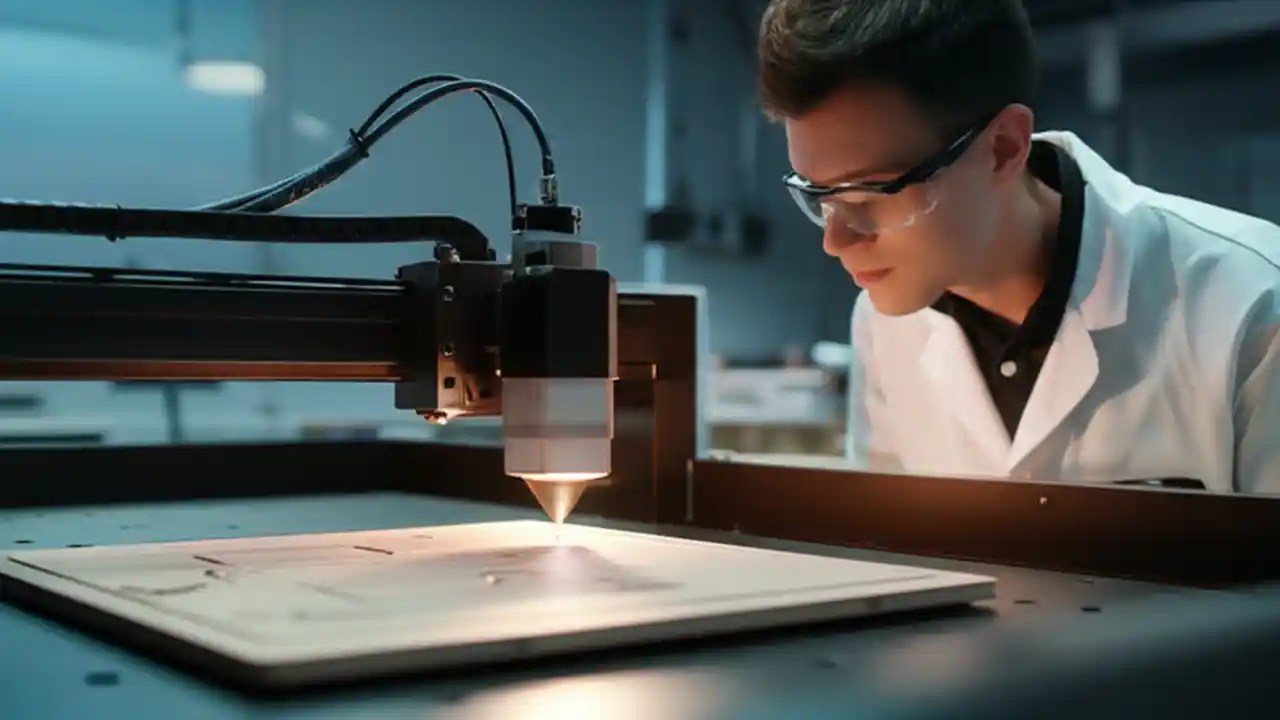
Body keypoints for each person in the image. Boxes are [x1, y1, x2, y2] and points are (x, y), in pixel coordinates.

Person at [757, 0, 1280, 493]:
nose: (836, 240)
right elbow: (894, 564)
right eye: (817, 193)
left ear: (1003, 148)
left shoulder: (1251, 304)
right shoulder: (883, 321)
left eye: (870, 191)